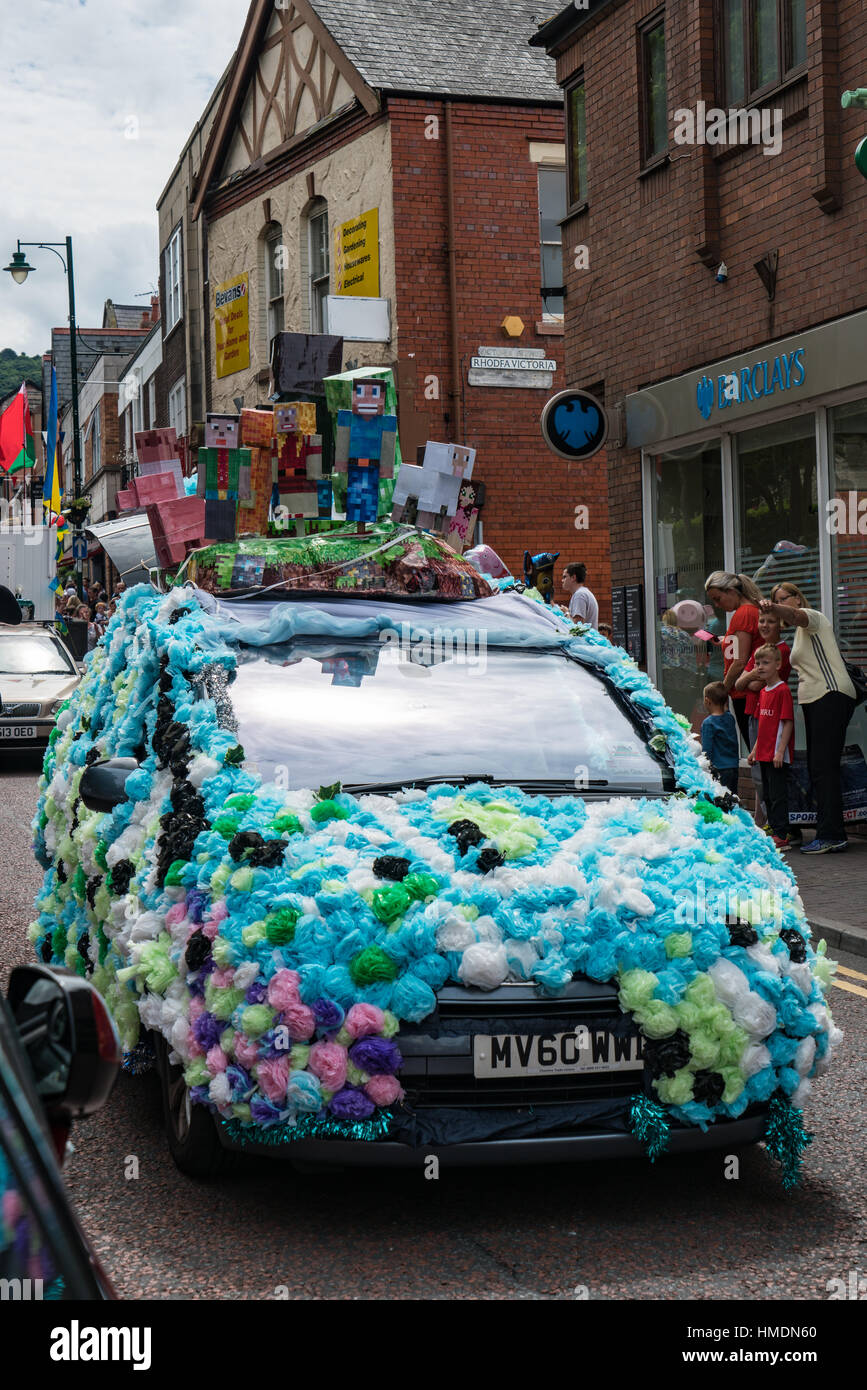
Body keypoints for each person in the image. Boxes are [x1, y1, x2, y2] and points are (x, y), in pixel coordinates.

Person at [759, 582, 856, 853]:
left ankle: (832, 835)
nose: (780, 604)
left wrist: (771, 606)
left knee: (824, 768)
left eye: (784, 599)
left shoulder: (813, 618)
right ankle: (830, 832)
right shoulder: (800, 634)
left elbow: (795, 615)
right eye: (776, 599)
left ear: (797, 598)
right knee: (819, 768)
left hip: (830, 694)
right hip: (815, 701)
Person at [734, 607, 794, 836]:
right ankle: (773, 825)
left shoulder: (780, 660)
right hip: (760, 731)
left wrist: (749, 677)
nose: (765, 625)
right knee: (764, 785)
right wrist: (751, 676)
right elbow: (741, 685)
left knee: (776, 789)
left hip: (775, 746)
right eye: (761, 620)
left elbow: (755, 685)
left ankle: (781, 830)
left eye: (771, 620)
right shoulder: (761, 653)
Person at [704, 570, 763, 752]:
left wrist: (722, 689)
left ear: (731, 591)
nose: (717, 605)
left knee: (755, 748)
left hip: (745, 693)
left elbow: (739, 660)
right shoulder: (748, 611)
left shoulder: (743, 613)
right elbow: (742, 646)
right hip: (746, 689)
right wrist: (724, 640)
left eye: (718, 598)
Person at [747, 644, 794, 852]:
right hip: (764, 754)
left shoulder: (782, 690)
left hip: (776, 755)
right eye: (757, 663)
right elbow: (762, 726)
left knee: (778, 795)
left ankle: (782, 835)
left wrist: (780, 751)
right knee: (766, 795)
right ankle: (775, 830)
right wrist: (754, 750)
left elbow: (787, 723)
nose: (760, 667)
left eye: (765, 663)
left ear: (778, 664)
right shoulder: (763, 692)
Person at [700, 681, 740, 794]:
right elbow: (725, 710)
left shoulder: (708, 723)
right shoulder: (730, 718)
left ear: (707, 701)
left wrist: (705, 767)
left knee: (721, 799)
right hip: (733, 767)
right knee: (732, 799)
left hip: (718, 769)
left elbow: (707, 750)